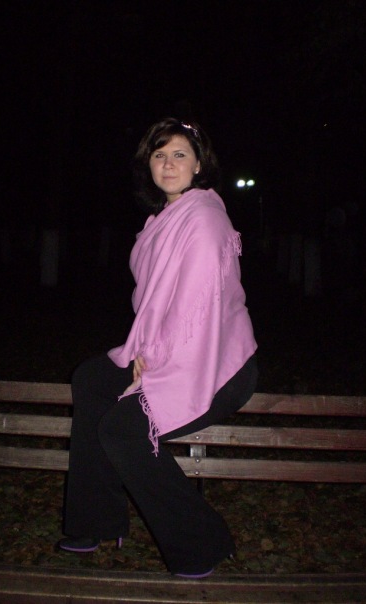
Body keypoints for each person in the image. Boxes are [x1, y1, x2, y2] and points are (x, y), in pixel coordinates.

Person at [59, 117, 258, 578]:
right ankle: (96, 521)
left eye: (179, 154)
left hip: (216, 362)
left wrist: (153, 359)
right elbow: (155, 305)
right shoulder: (161, 221)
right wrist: (146, 351)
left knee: (123, 430)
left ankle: (203, 542)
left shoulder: (204, 218)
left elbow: (195, 304)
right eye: (159, 154)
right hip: (168, 347)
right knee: (92, 379)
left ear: (199, 164)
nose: (168, 164)